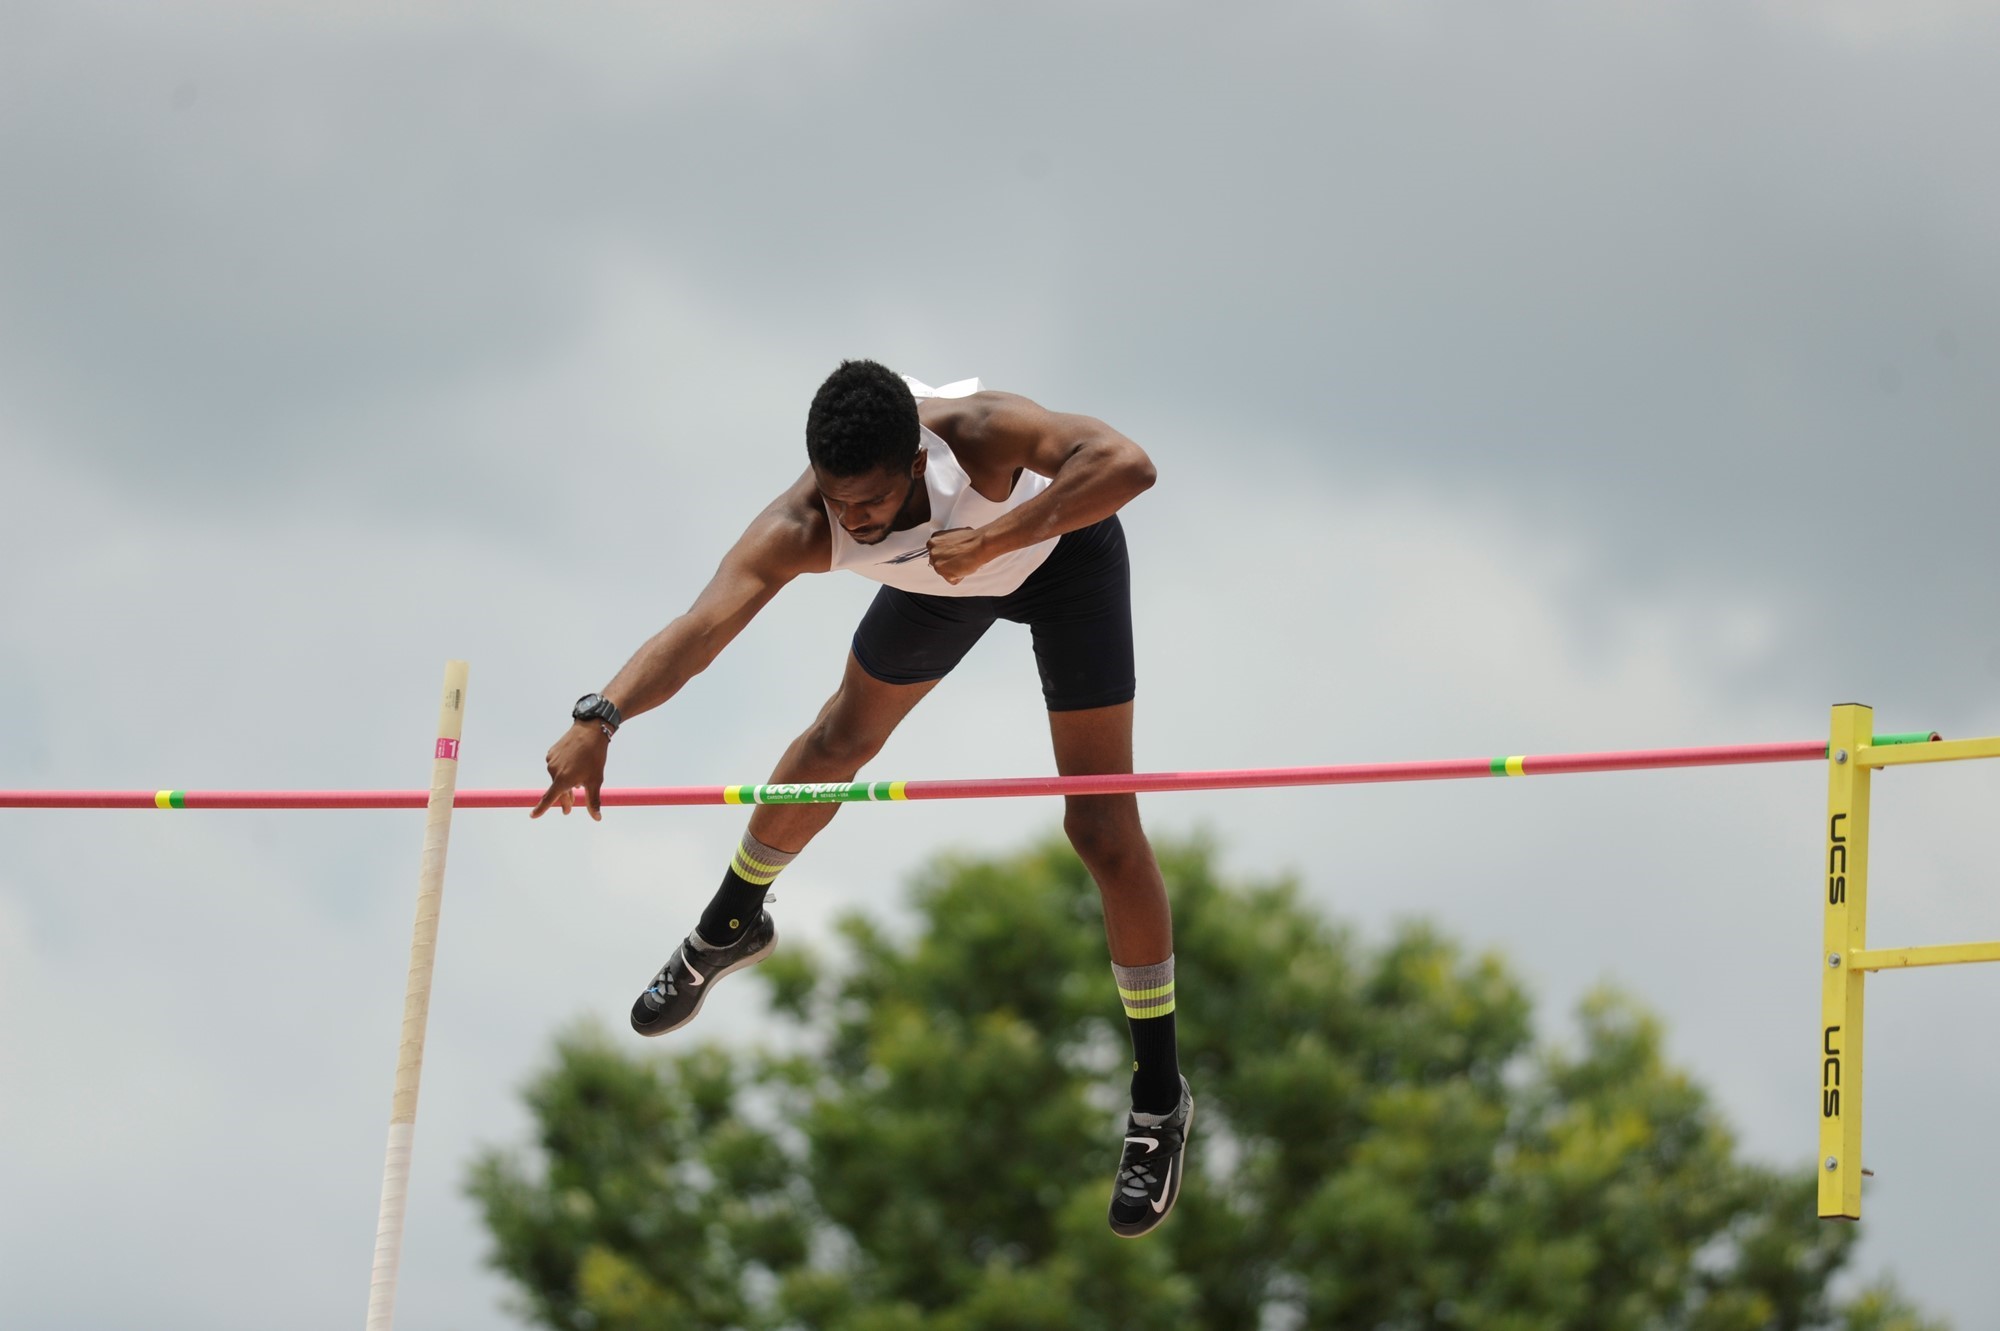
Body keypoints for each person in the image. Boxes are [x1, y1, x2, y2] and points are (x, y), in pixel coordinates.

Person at [533, 359, 1191, 1237]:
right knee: (834, 742)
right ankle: (731, 923)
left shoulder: (980, 431)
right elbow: (700, 630)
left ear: (917, 463)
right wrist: (600, 716)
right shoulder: (807, 520)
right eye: (842, 506)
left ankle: (1158, 1098)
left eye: (872, 504)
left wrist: (997, 538)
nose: (856, 522)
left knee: (1101, 826)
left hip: (1060, 555)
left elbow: (1129, 465)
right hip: (946, 583)